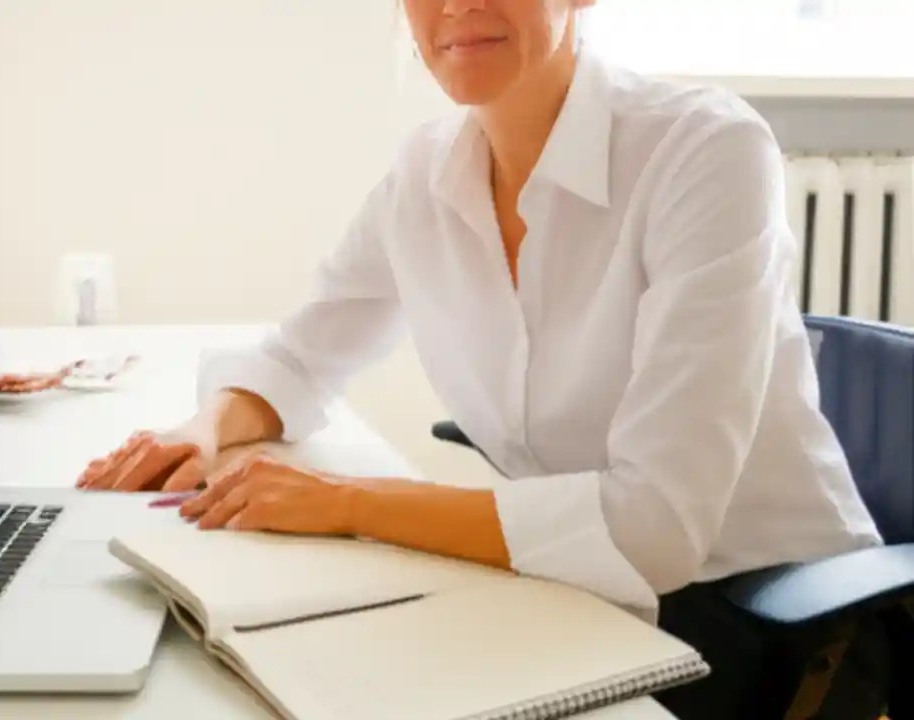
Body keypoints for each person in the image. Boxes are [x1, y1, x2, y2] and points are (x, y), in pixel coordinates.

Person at [78, 0, 888, 716]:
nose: (459, 4)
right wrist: (204, 430)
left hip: (777, 621)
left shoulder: (705, 151)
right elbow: (298, 357)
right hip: (577, 596)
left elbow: (656, 528)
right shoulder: (425, 175)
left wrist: (347, 502)